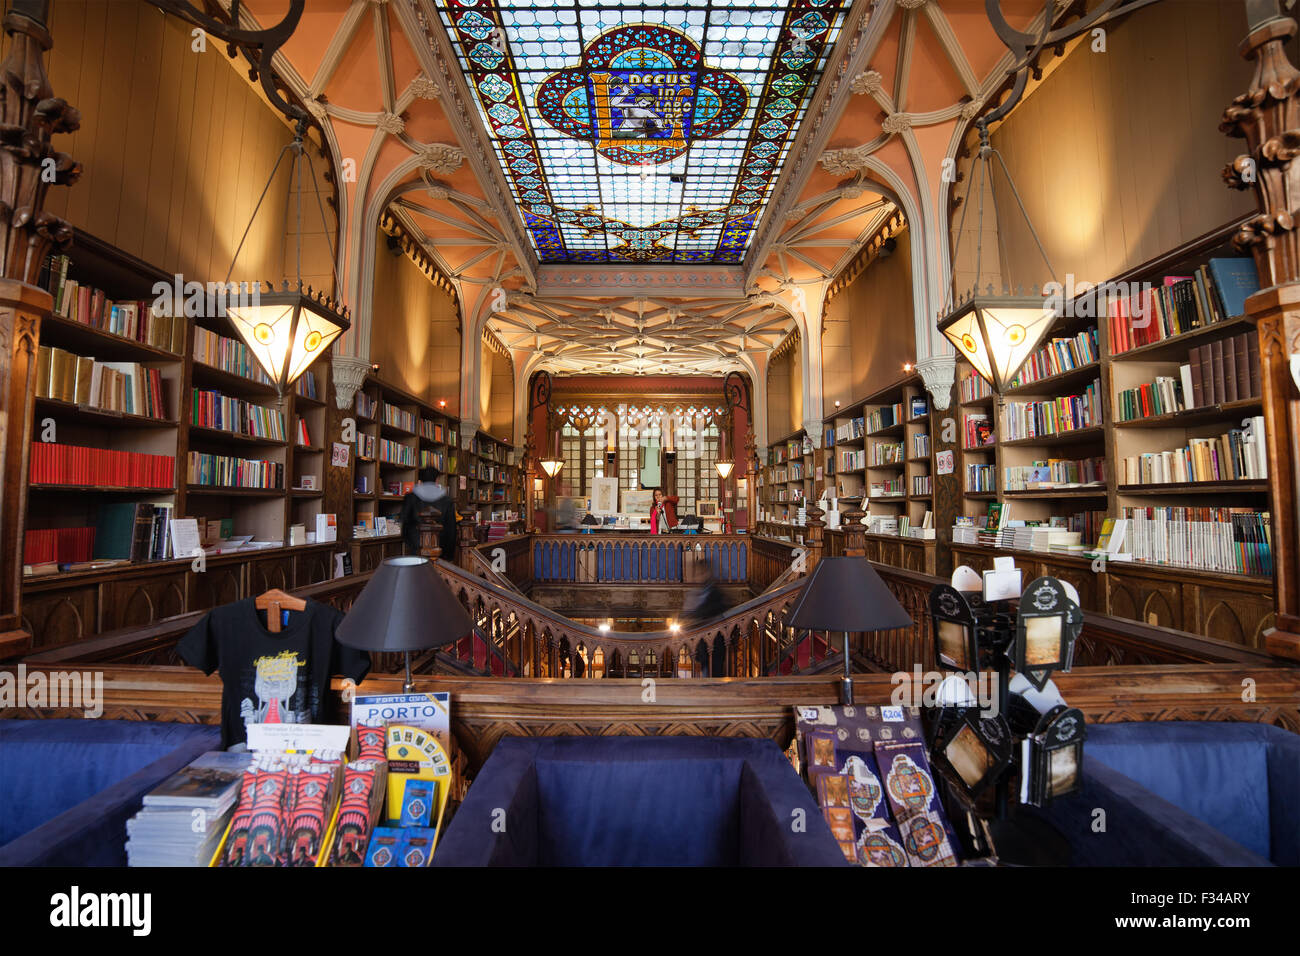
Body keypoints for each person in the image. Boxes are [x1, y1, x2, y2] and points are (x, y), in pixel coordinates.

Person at [399, 466, 458, 560]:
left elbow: (404, 522)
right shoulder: (446, 500)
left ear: (420, 481)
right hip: (439, 546)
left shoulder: (410, 497)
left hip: (416, 546)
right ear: (437, 480)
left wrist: (411, 543)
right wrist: (449, 554)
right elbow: (451, 529)